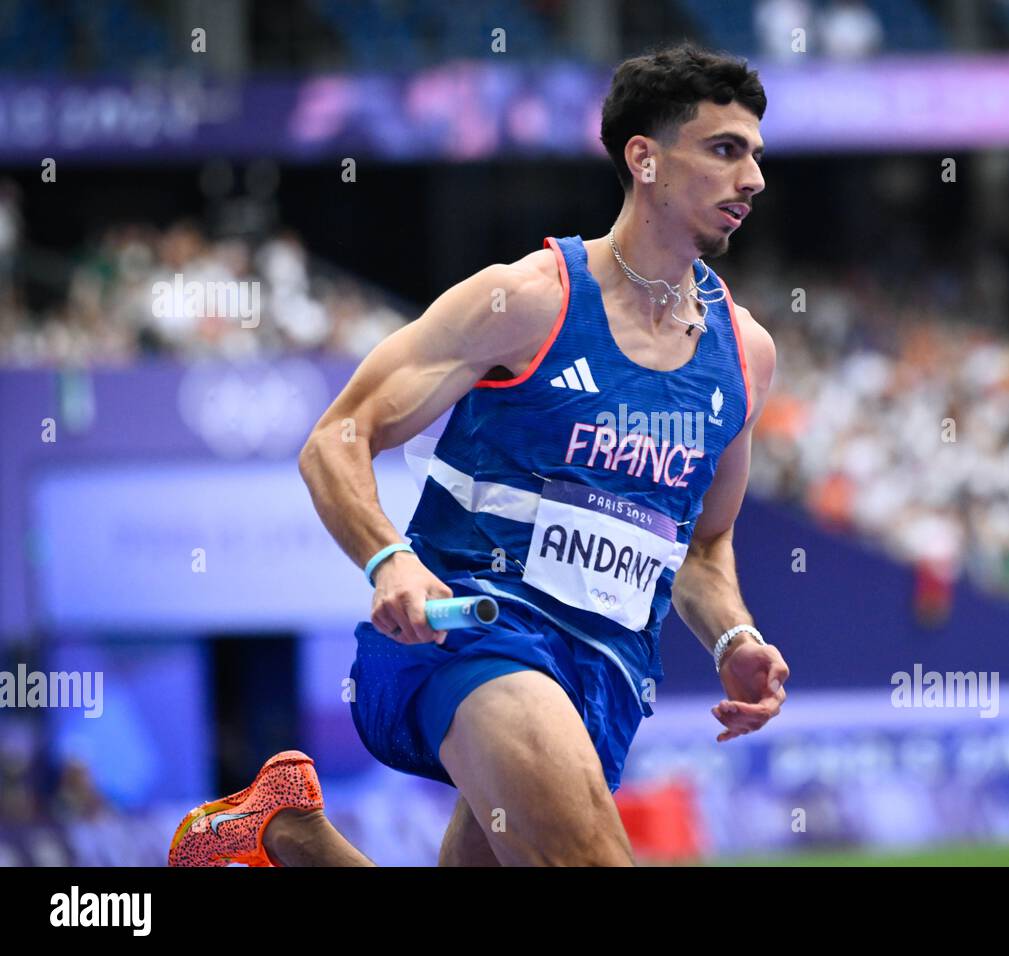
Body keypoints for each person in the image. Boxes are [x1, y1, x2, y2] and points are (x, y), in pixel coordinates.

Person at [169, 41, 789, 868]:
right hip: (472, 632)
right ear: (644, 158)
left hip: (603, 678)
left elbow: (703, 548)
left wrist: (734, 639)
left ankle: (286, 836)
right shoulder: (530, 300)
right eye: (725, 149)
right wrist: (389, 559)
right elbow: (338, 438)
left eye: (755, 154)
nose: (751, 178)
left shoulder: (745, 354)